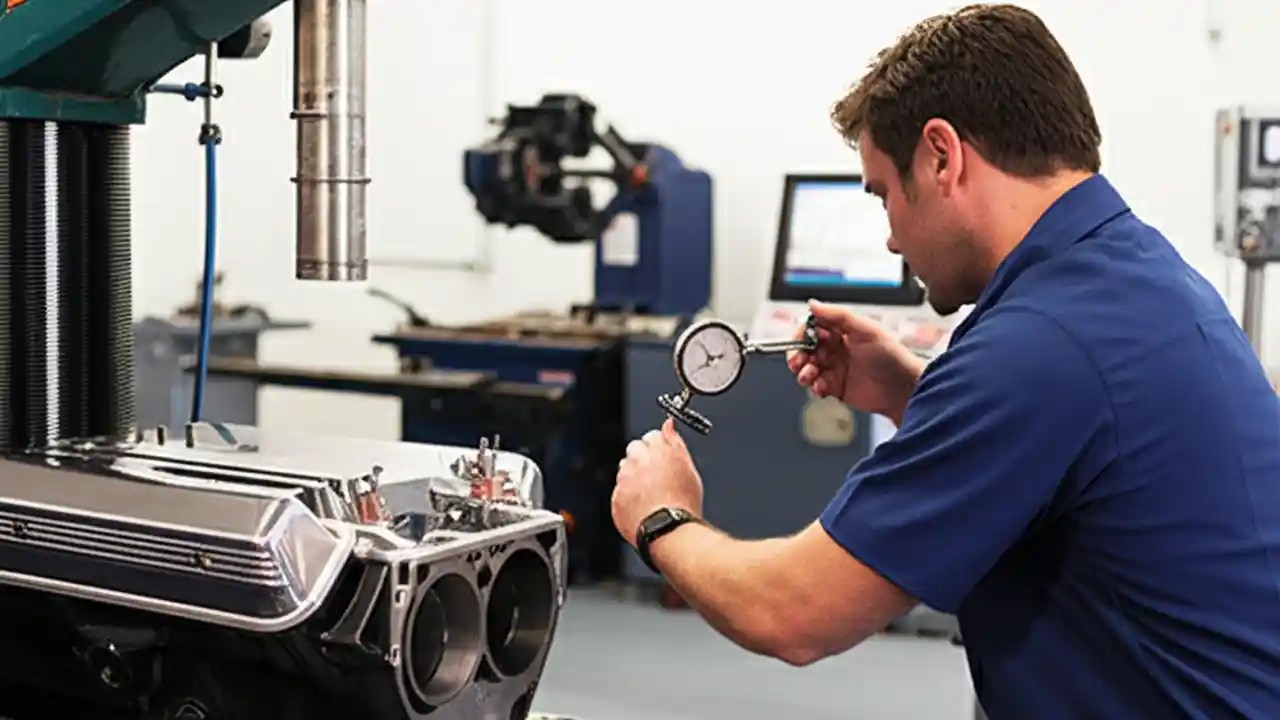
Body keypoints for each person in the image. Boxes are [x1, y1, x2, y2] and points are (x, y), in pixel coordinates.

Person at [610, 3, 1280, 719]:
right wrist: (912, 391)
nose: (892, 239)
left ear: (940, 154)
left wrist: (662, 516)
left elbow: (794, 612)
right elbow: (1079, 455)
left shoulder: (1038, 346)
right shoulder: (1138, 277)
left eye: (883, 195)